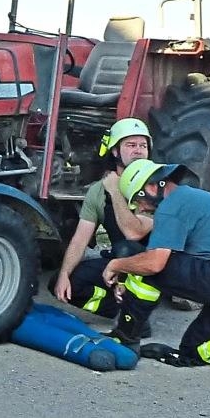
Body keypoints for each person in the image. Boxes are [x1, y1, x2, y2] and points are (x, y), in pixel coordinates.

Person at [102, 159, 210, 366]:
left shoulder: (171, 206)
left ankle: (126, 337)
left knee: (144, 268)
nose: (141, 207)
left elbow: (154, 264)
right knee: (194, 350)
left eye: (138, 200)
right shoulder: (188, 197)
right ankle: (195, 354)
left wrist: (116, 265)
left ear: (152, 187)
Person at [52, 118, 155, 330]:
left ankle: (136, 319)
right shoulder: (98, 191)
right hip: (120, 262)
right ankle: (118, 308)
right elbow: (80, 239)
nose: (138, 150)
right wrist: (63, 275)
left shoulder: (156, 185)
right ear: (115, 151)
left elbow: (135, 233)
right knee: (64, 282)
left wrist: (115, 191)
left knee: (126, 248)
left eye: (143, 146)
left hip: (155, 264)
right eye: (131, 145)